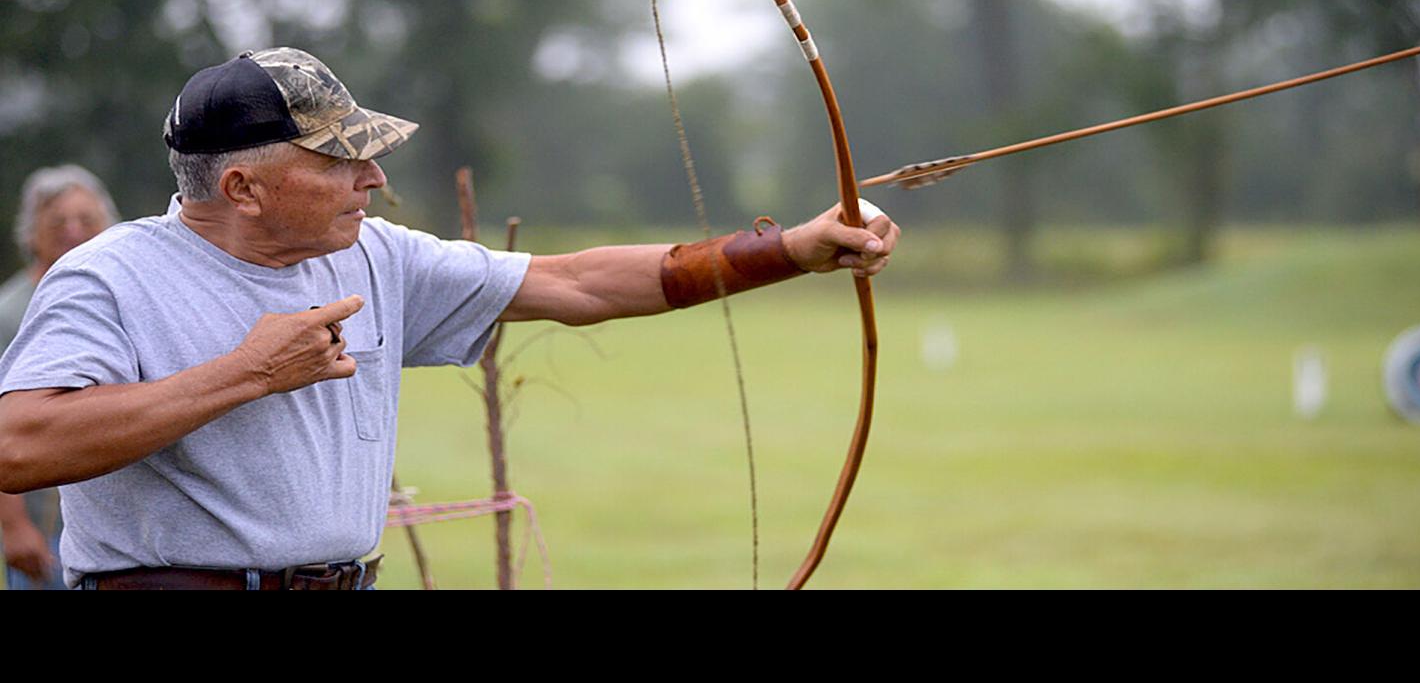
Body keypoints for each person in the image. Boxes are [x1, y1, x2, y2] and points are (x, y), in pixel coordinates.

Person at [0, 47, 899, 590]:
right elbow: (18, 447)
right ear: (243, 187)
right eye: (340, 161)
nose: (373, 178)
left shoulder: (375, 254)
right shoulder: (108, 277)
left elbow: (577, 283)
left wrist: (789, 251)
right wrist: (247, 374)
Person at [0, 165, 119, 590]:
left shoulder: (119, 292)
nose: (73, 230)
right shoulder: (11, 311)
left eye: (86, 219)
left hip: (118, 528)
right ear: (31, 233)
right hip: (48, 528)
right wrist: (13, 526)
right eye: (58, 222)